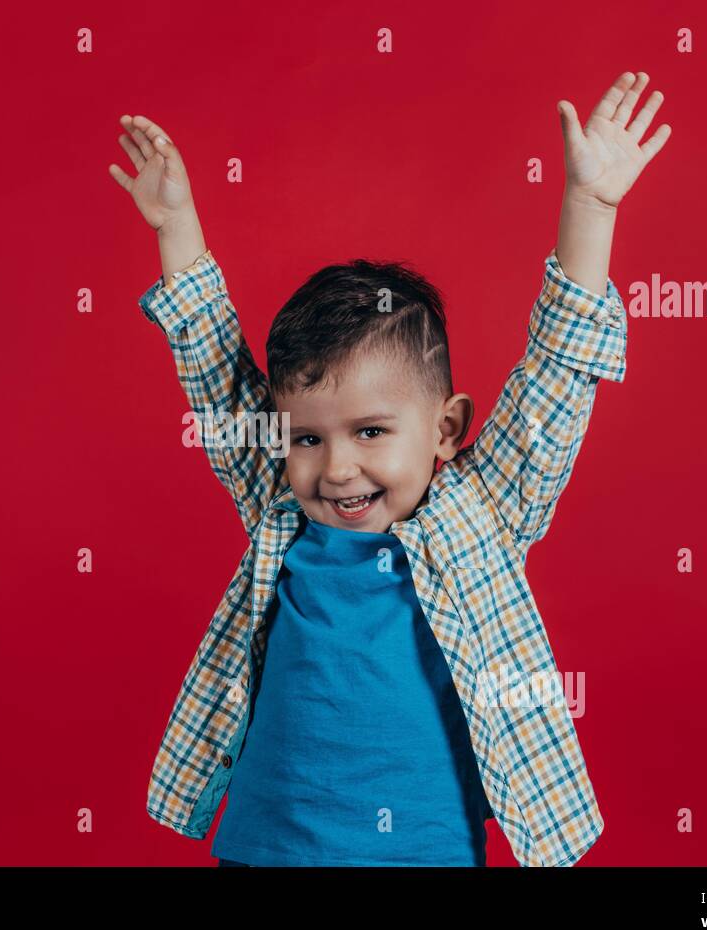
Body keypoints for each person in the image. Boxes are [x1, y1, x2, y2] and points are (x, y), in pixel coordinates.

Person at [108, 72, 670, 867]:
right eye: (307, 438)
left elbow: (556, 372)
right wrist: (177, 228)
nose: (337, 469)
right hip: (266, 851)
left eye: (371, 431)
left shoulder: (482, 513)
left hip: (424, 852)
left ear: (447, 429)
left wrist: (591, 207)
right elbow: (212, 370)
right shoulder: (281, 509)